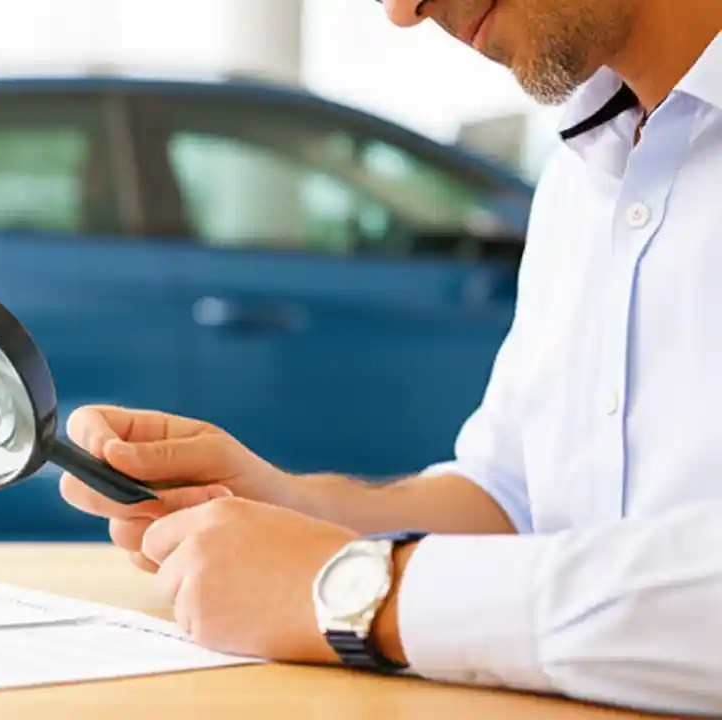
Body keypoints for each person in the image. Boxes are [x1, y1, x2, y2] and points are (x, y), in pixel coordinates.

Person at [59, 0, 722, 715]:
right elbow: (517, 499)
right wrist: (290, 510)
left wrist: (356, 589)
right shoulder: (588, 177)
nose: (404, 11)